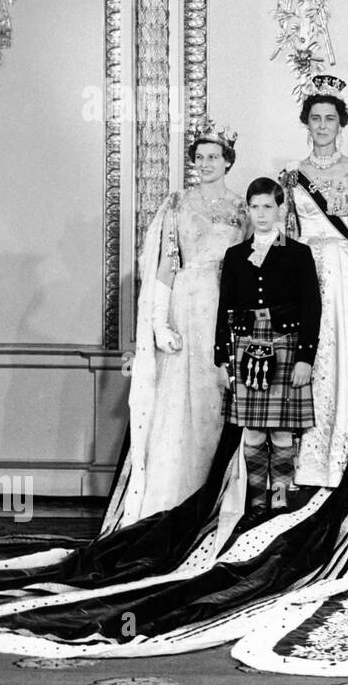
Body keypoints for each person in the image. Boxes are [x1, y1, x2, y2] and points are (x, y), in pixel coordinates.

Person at [102, 119, 249, 531]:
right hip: (186, 305)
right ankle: (172, 499)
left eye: (213, 157)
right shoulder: (178, 204)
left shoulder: (243, 208)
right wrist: (159, 323)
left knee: (215, 399)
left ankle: (213, 498)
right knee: (180, 400)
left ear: (227, 162)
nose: (205, 164)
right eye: (199, 157)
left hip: (226, 306)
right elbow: (167, 265)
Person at [277, 76, 348, 490]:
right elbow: (284, 236)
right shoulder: (290, 175)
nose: (323, 125)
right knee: (310, 358)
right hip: (305, 272)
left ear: (342, 124)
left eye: (330, 118)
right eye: (316, 118)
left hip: (345, 274)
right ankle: (304, 458)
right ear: (306, 123)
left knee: (342, 357)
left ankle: (341, 454)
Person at [215, 178, 322, 516]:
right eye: (254, 207)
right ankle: (256, 497)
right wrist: (222, 360)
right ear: (247, 210)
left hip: (285, 345)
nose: (260, 214)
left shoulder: (298, 253)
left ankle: (280, 495)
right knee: (254, 431)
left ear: (281, 210)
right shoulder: (234, 256)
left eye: (268, 207)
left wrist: (305, 358)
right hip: (246, 348)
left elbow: (311, 308)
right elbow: (224, 308)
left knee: (280, 432)